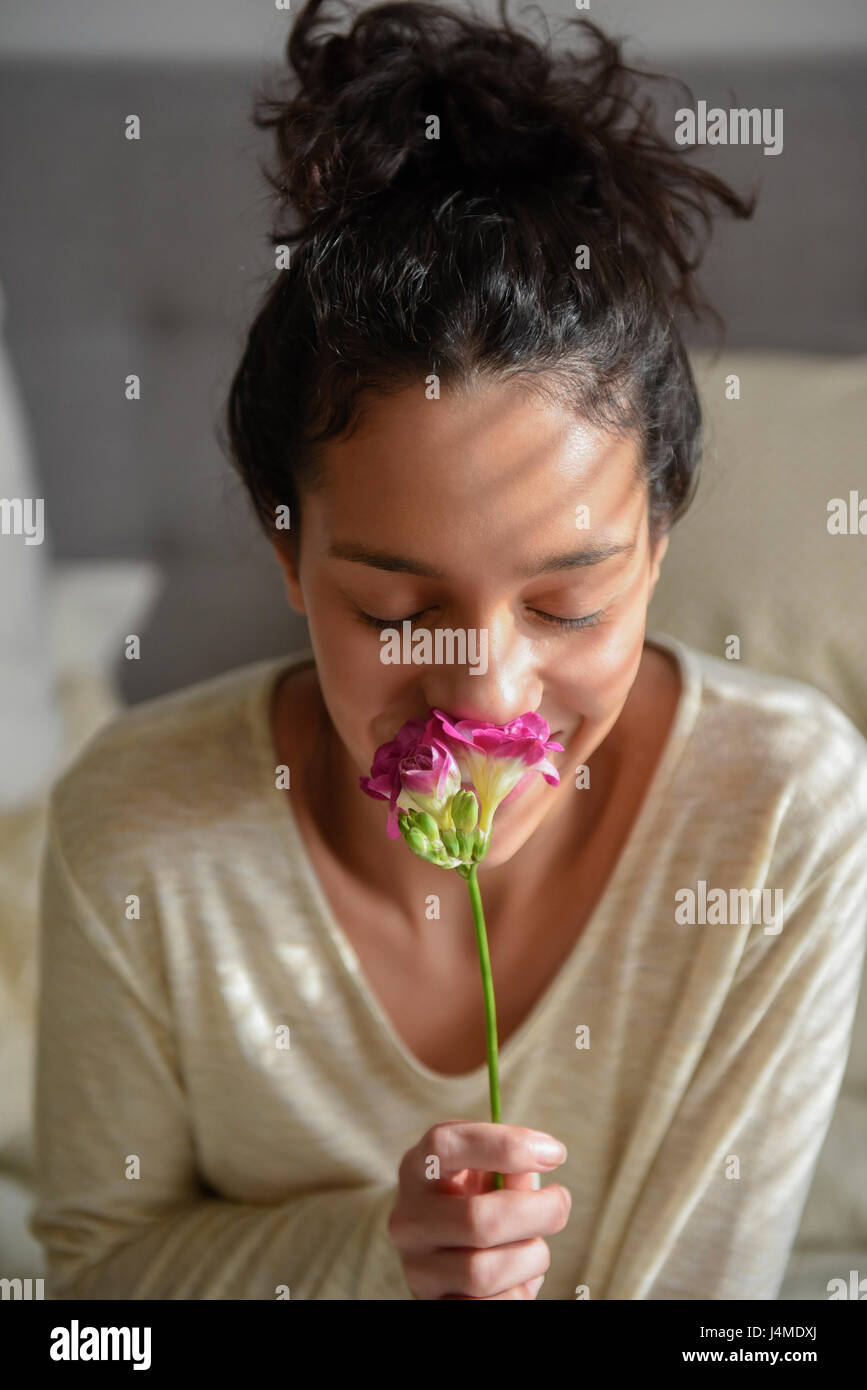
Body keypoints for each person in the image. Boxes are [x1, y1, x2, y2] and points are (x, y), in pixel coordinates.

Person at [31, 0, 867, 1300]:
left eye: (568, 603)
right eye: (389, 608)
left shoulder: (784, 816)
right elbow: (93, 1293)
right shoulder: (133, 834)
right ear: (284, 551)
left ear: (656, 549)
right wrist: (379, 1251)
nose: (484, 691)